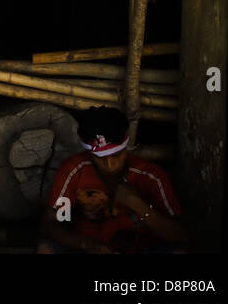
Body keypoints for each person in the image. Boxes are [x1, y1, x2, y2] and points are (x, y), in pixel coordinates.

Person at [38, 106, 187, 254]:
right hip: (87, 248)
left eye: (116, 155)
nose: (109, 165)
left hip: (142, 248)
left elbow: (180, 235)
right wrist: (87, 244)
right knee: (45, 249)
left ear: (125, 147)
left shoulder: (151, 176)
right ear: (90, 154)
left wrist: (138, 205)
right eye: (100, 158)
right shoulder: (74, 170)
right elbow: (50, 224)